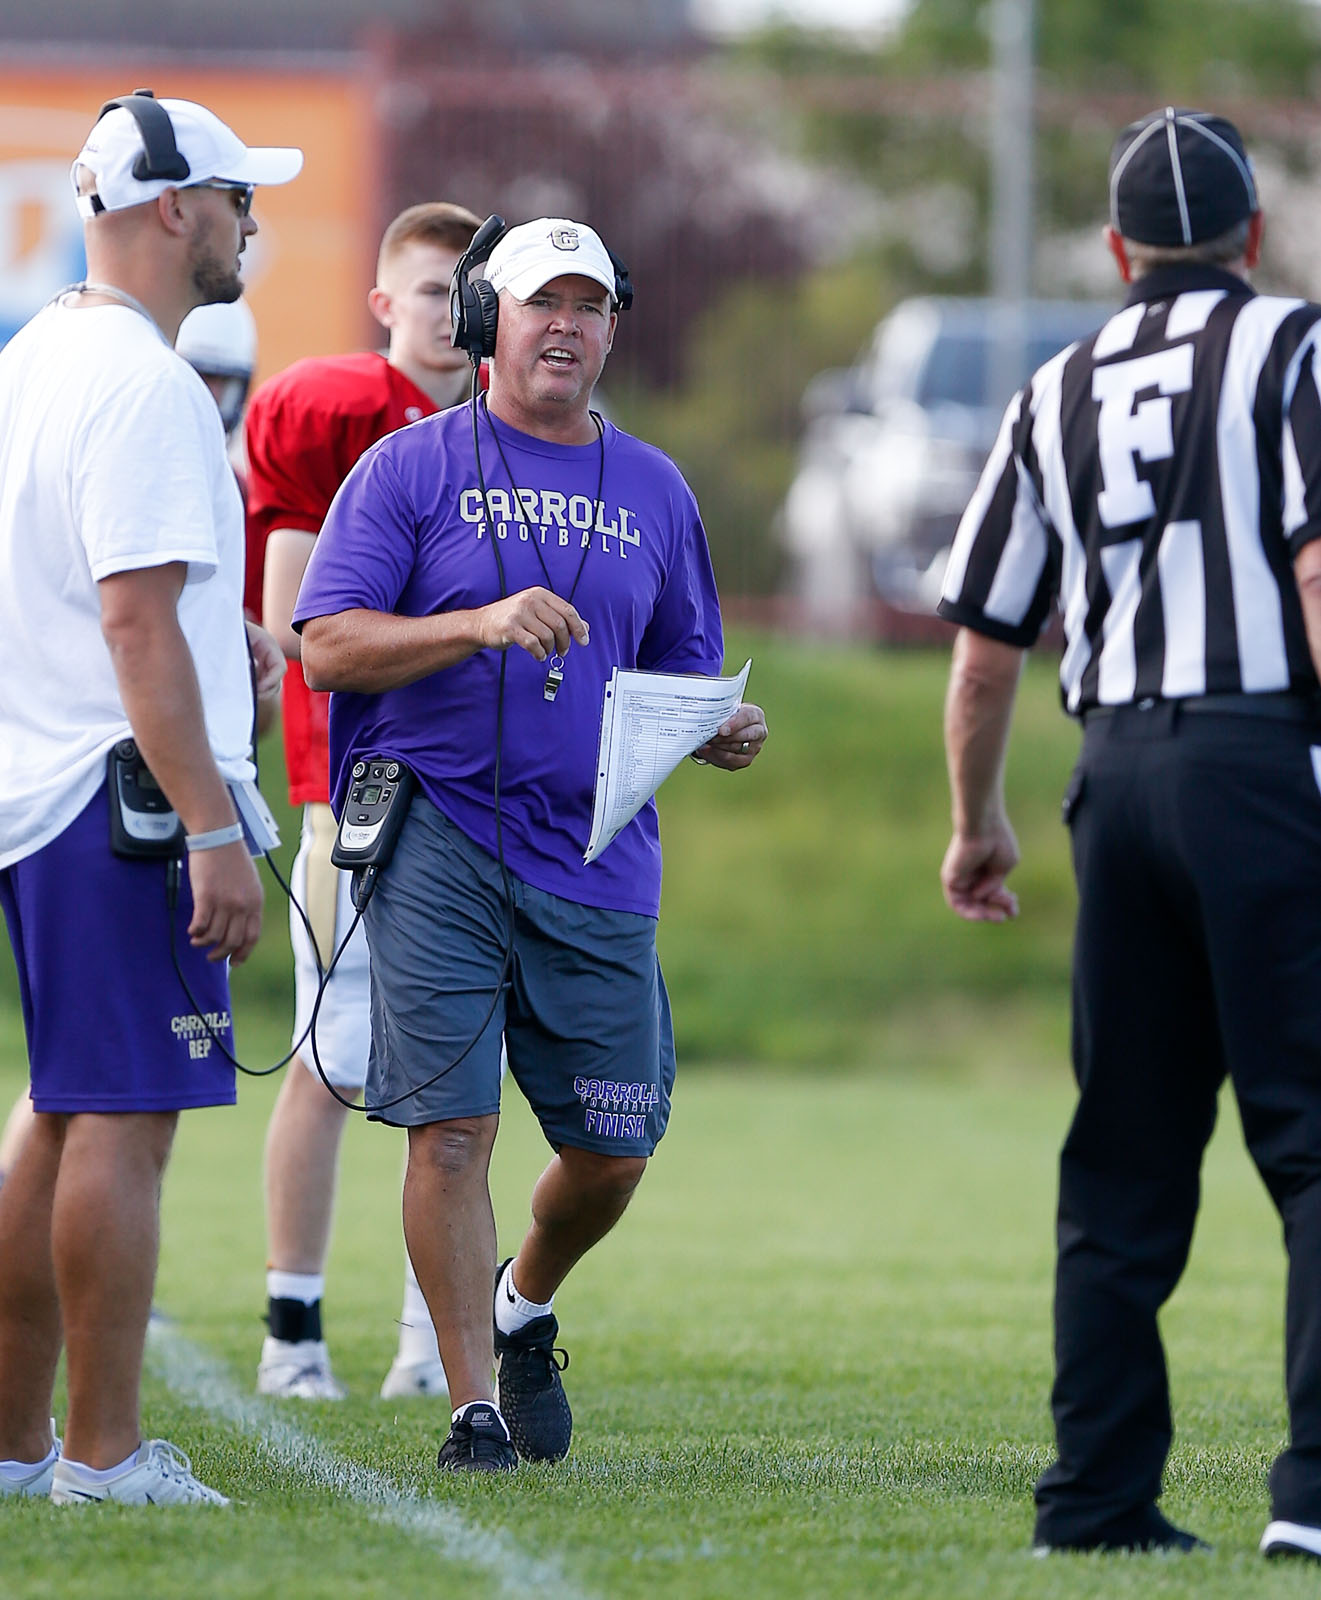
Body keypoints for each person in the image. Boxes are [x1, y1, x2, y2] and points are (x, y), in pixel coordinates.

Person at [293, 215, 767, 1470]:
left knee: (612, 1150)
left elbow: (676, 672)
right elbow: (327, 644)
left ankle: (523, 1304)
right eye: (542, 302)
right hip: (437, 832)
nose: (567, 324)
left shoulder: (659, 487)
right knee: (451, 1129)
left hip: (598, 856)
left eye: (591, 304)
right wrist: (476, 623)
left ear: (615, 325)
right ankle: (472, 1407)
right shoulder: (406, 470)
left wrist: (715, 727)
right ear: (483, 323)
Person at [938, 106, 1321, 1559]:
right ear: (1254, 235)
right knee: (1312, 1137)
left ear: (1115, 251)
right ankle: (1313, 1499)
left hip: (1115, 778)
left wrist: (975, 824)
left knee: (1123, 1153)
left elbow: (985, 650)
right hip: (1263, 760)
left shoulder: (1055, 387)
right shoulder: (1293, 347)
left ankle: (1095, 1500)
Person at [0, 90, 299, 1507]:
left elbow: (105, 603)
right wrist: (212, 824)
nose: (256, 223)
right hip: (113, 797)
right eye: (242, 198)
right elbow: (129, 622)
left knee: (61, 1106)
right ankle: (106, 1457)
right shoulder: (148, 382)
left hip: (38, 780)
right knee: (123, 1113)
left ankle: (13, 1446)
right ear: (173, 207)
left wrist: (207, 640)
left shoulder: (36, 359)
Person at [245, 202, 482, 1401]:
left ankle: (426, 1340)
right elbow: (296, 625)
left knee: (453, 1069)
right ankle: (293, 1330)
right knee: (335, 1057)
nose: (453, 314)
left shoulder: (511, 441)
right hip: (359, 791)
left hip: (488, 804)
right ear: (385, 303)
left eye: (468, 290)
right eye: (433, 291)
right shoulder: (338, 408)